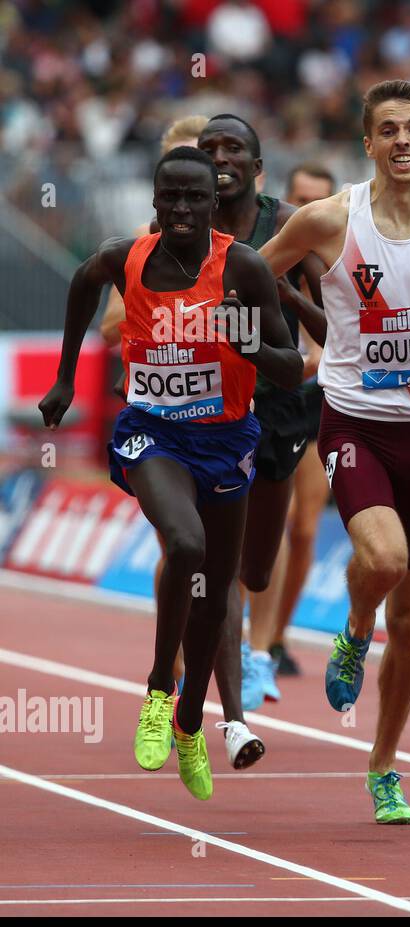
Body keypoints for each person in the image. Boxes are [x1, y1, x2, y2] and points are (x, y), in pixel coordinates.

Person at [259, 79, 410, 825]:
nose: (402, 140)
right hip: (354, 422)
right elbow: (248, 275)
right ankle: (353, 630)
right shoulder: (329, 218)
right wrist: (286, 348)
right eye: (388, 129)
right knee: (385, 559)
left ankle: (385, 766)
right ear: (367, 144)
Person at [39, 146, 302, 799]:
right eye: (171, 197)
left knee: (217, 592)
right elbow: (80, 283)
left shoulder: (241, 266)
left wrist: (251, 347)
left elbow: (292, 367)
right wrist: (65, 379)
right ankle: (159, 690)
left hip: (226, 439)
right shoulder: (127, 257)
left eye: (195, 198)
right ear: (155, 202)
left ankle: (190, 724)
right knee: (185, 544)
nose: (182, 208)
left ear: (215, 204)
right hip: (151, 433)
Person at [196, 116, 327, 725]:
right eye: (210, 149)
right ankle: (203, 681)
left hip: (279, 403)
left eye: (234, 150)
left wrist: (282, 288)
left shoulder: (292, 226)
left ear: (257, 168)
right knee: (203, 552)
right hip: (202, 406)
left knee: (255, 564)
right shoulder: (176, 224)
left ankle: (253, 647)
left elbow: (333, 330)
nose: (221, 157)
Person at [98, 114, 208, 694]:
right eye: (179, 167)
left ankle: (247, 655)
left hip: (234, 413)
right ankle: (176, 673)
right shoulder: (140, 248)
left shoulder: (244, 239)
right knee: (185, 544)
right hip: (162, 419)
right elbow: (111, 326)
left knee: (249, 559)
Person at [263, 163, 338, 679]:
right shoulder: (269, 251)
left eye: (320, 200)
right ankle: (256, 632)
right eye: (301, 197)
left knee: (304, 527)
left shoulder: (330, 258)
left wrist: (310, 360)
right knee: (267, 526)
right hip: (271, 399)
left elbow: (330, 337)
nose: (310, 208)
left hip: (317, 399)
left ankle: (275, 638)